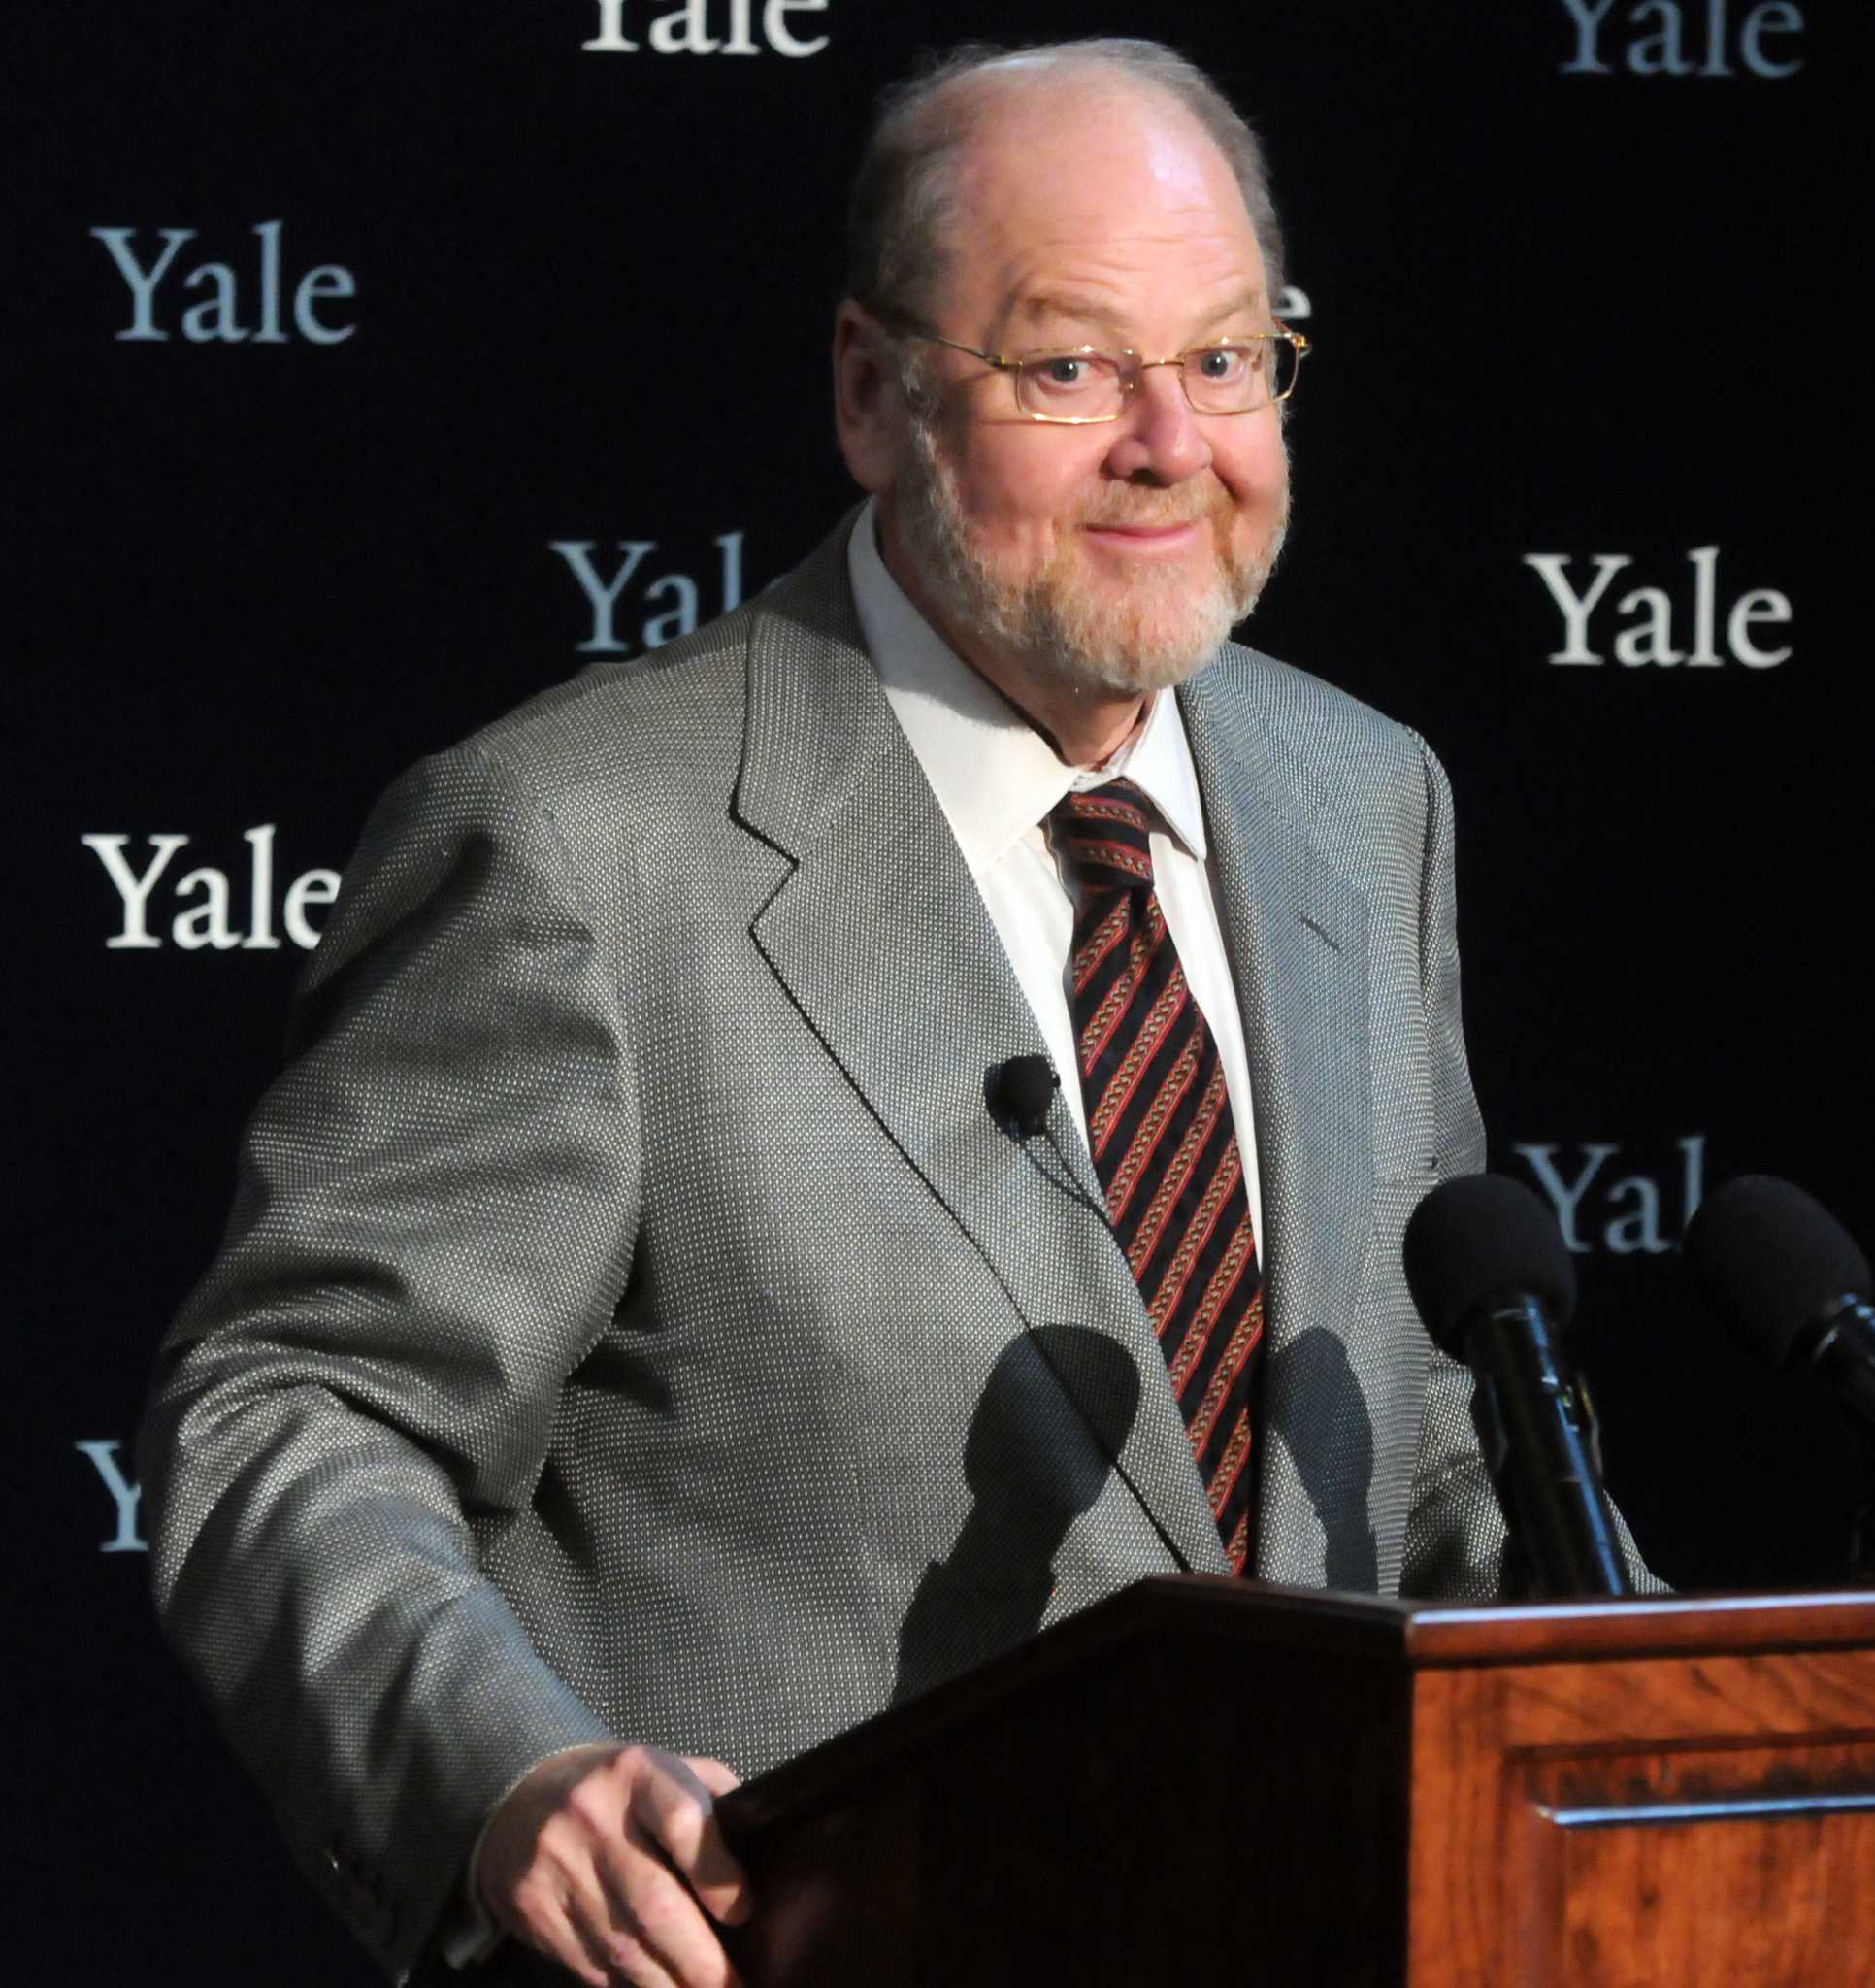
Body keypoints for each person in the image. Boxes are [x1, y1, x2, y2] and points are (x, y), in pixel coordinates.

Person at [142, 37, 1642, 1988]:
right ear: (871, 391)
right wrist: (509, 1777)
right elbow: (294, 1412)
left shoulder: (1369, 801)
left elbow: (1427, 1455)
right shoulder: (584, 844)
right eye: (1068, 366)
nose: (1171, 443)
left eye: (1227, 357)